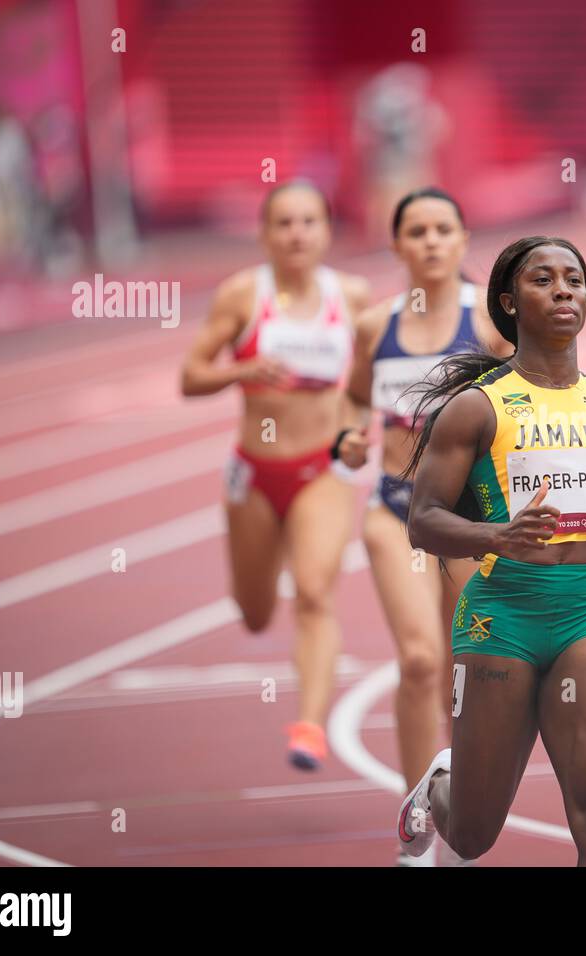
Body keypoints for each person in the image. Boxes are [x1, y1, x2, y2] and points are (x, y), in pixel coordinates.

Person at [391, 236, 586, 866]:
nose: (563, 290)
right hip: (502, 621)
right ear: (509, 303)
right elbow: (423, 522)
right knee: (472, 834)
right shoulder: (475, 409)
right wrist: (498, 535)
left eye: (573, 280)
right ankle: (440, 785)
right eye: (543, 280)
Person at [334, 186, 511, 865]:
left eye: (444, 230)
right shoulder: (374, 326)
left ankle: (453, 793)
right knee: (419, 659)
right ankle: (417, 833)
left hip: (468, 520)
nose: (432, 242)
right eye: (418, 231)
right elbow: (353, 401)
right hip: (396, 511)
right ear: (398, 245)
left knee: (465, 668)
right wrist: (349, 440)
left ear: (464, 241)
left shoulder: (491, 327)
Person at [180, 180, 371, 770]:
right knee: (257, 610)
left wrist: (357, 433)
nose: (297, 234)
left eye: (309, 221)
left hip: (322, 468)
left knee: (314, 592)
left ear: (327, 230)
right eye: (284, 223)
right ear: (263, 234)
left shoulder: (354, 296)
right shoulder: (244, 295)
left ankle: (308, 726)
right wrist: (241, 371)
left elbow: (369, 383)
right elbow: (189, 377)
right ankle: (262, 596)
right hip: (255, 473)